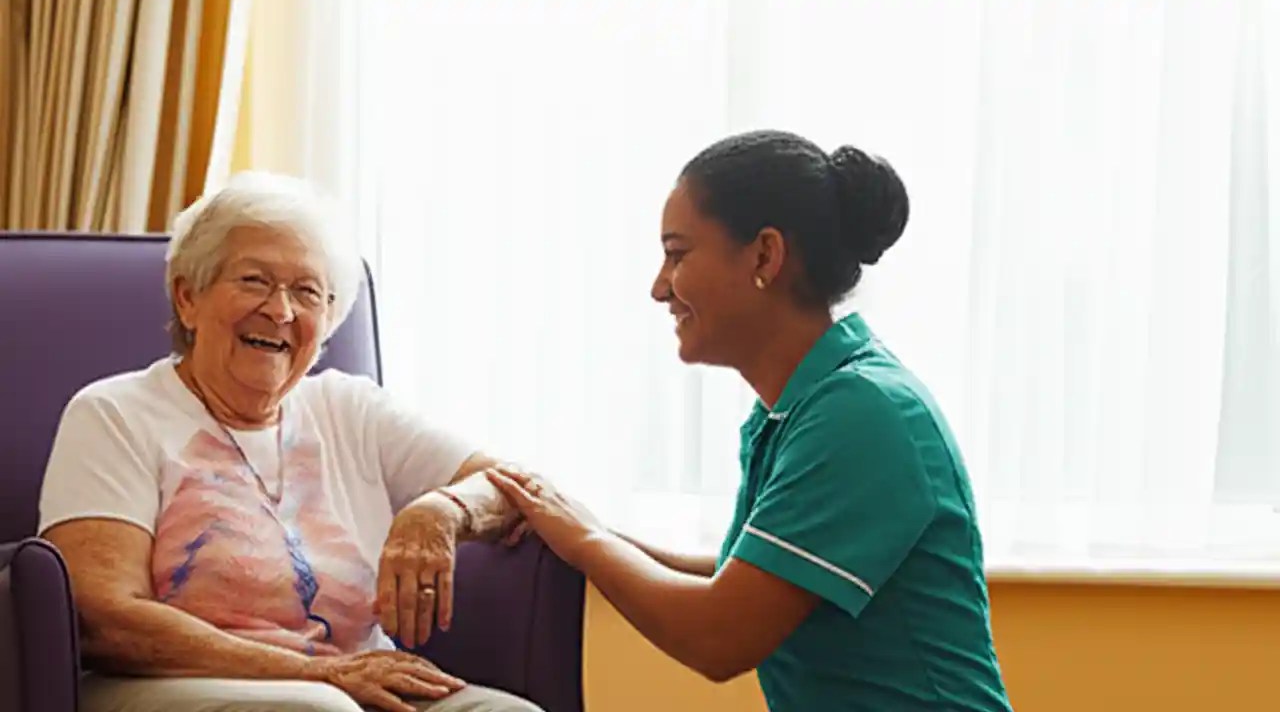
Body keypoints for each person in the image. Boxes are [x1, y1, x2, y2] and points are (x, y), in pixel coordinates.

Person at [486, 130, 1013, 711]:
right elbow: (735, 586)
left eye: (678, 254)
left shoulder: (863, 414)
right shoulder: (803, 407)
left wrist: (585, 541)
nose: (659, 287)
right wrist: (579, 531)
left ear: (765, 255)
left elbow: (719, 636)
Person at [39, 172, 541, 712]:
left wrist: (441, 510)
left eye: (306, 292)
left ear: (327, 324)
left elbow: (518, 489)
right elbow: (102, 617)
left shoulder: (351, 410)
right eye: (254, 281)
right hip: (171, 682)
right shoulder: (115, 414)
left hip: (353, 683)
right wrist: (318, 673)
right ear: (188, 298)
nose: (280, 311)